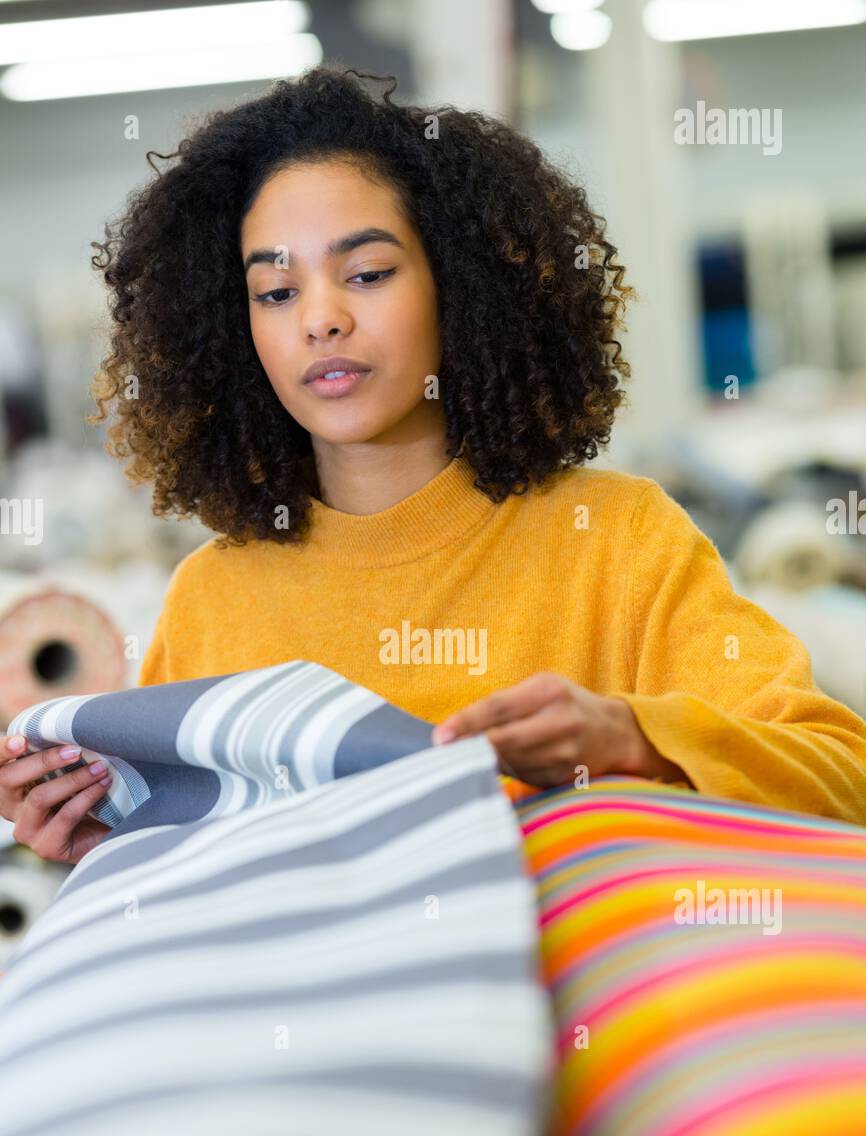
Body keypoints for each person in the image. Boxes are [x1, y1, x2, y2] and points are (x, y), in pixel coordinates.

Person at [2, 64, 866, 867]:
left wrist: (631, 736)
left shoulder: (618, 541)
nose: (321, 319)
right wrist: (102, 841)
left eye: (368, 272)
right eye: (275, 292)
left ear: (460, 287)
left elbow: (838, 776)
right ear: (238, 331)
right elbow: (198, 865)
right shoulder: (210, 600)